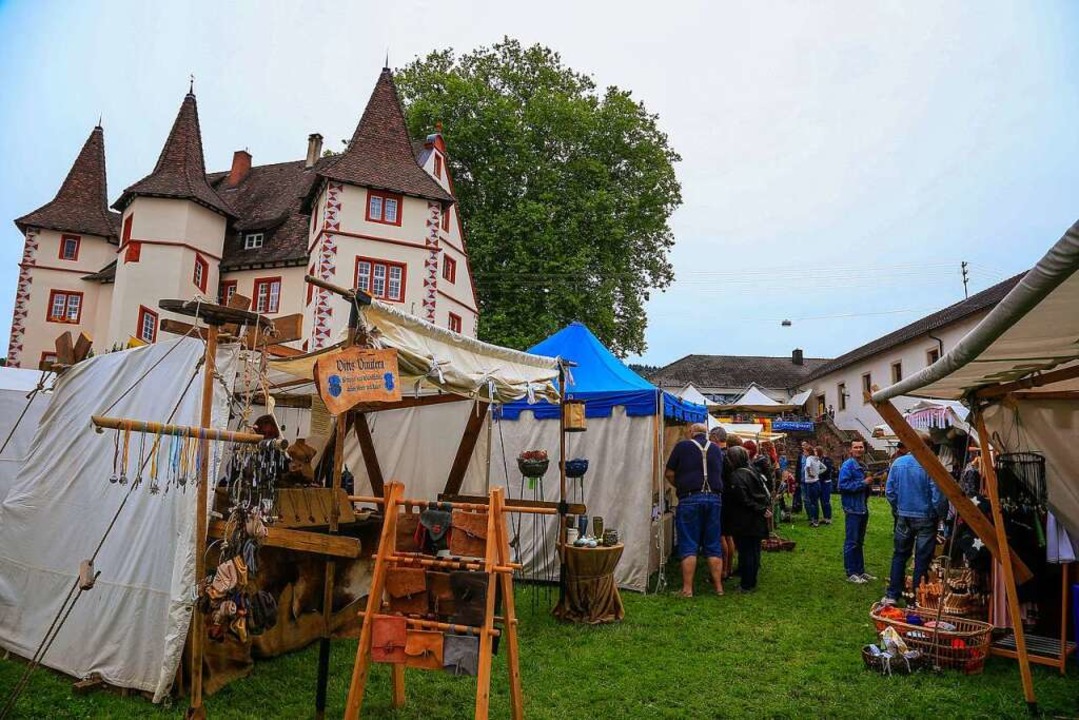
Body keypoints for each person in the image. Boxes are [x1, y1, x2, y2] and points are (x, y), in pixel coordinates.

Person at [883, 431, 947, 605]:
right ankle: (917, 597)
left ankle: (892, 594)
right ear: (929, 447)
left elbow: (890, 491)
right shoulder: (930, 464)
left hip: (904, 514)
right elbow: (938, 496)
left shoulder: (898, 463)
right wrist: (941, 514)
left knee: (900, 554)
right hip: (926, 516)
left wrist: (898, 508)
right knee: (922, 558)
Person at [665, 423, 725, 597]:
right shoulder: (716, 449)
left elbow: (669, 473)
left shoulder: (682, 446)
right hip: (714, 498)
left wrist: (681, 485)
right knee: (713, 543)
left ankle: (687, 589)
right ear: (706, 434)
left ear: (691, 432)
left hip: (690, 498)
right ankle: (719, 588)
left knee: (689, 543)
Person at [724, 446, 771, 592]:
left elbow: (743, 499)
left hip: (746, 519)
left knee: (747, 552)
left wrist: (759, 509)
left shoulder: (737, 476)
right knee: (753, 551)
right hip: (755, 518)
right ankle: (750, 580)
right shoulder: (752, 470)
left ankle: (747, 584)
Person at [838, 440, 875, 584]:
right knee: (852, 542)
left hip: (862, 508)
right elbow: (842, 485)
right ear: (851, 450)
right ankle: (851, 573)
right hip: (853, 508)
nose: (859, 449)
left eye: (861, 447)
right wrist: (864, 483)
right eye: (856, 447)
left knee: (859, 542)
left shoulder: (862, 465)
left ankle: (860, 571)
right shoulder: (848, 465)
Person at [710, 427, 737, 577]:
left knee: (721, 535)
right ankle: (729, 568)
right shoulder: (732, 454)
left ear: (714, 437)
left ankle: (723, 570)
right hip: (731, 497)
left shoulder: (718, 454)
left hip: (722, 497)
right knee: (728, 535)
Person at [802, 445, 824, 527]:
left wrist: (810, 474)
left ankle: (815, 520)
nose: (804, 453)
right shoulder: (816, 459)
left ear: (808, 452)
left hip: (811, 483)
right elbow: (823, 468)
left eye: (805, 451)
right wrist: (817, 473)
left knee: (813, 503)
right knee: (814, 502)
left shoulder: (809, 458)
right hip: (815, 482)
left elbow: (808, 467)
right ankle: (814, 519)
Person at [817, 446, 834, 526]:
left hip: (826, 482)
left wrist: (818, 473)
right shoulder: (817, 460)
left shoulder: (826, 460)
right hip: (819, 482)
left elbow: (828, 470)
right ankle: (825, 517)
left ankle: (828, 518)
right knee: (822, 500)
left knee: (826, 500)